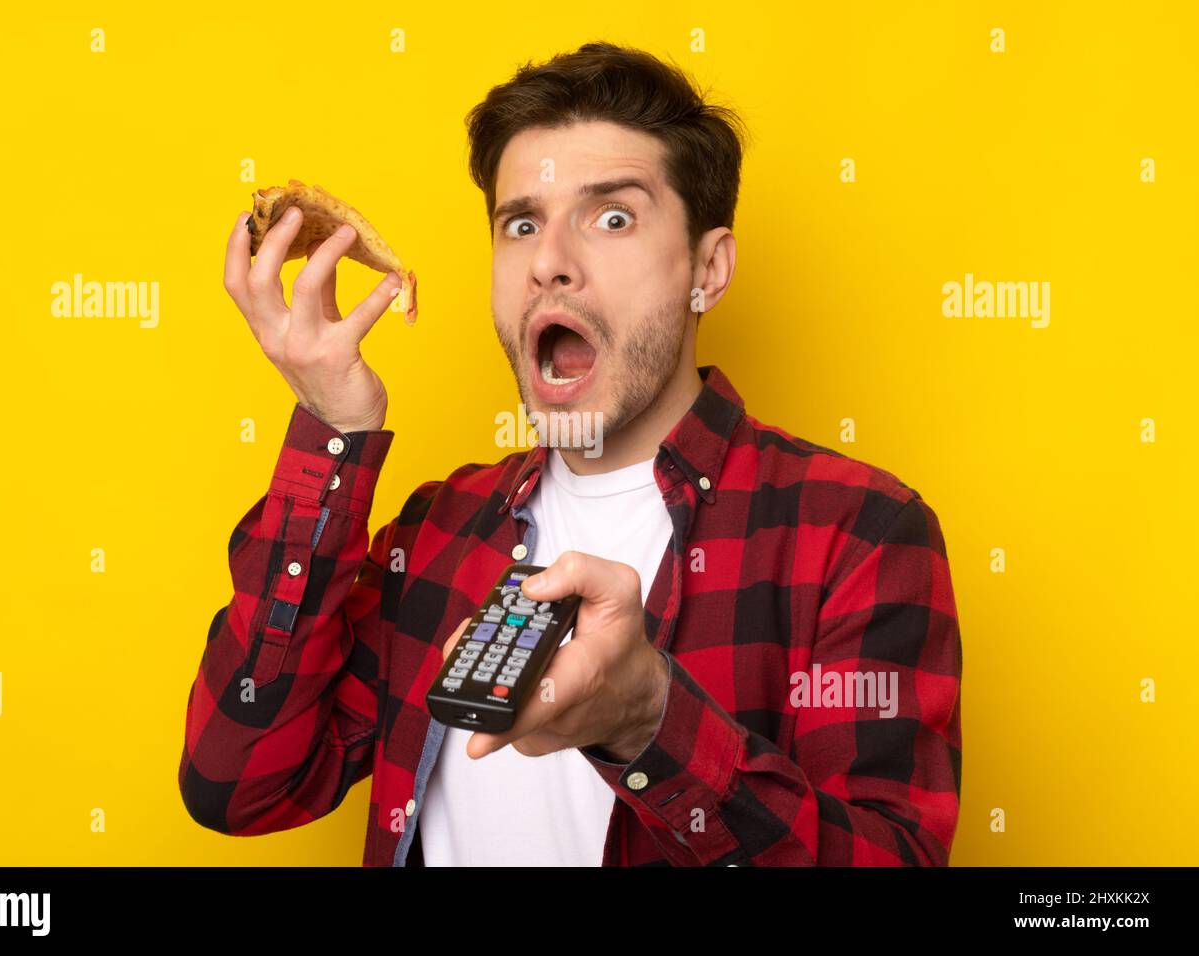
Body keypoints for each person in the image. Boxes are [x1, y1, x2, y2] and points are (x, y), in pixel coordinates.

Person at [178, 41, 962, 866]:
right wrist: (333, 429)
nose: (549, 264)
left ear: (708, 268)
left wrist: (650, 723)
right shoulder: (439, 531)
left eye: (612, 217)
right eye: (522, 224)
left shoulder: (859, 532)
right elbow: (237, 784)